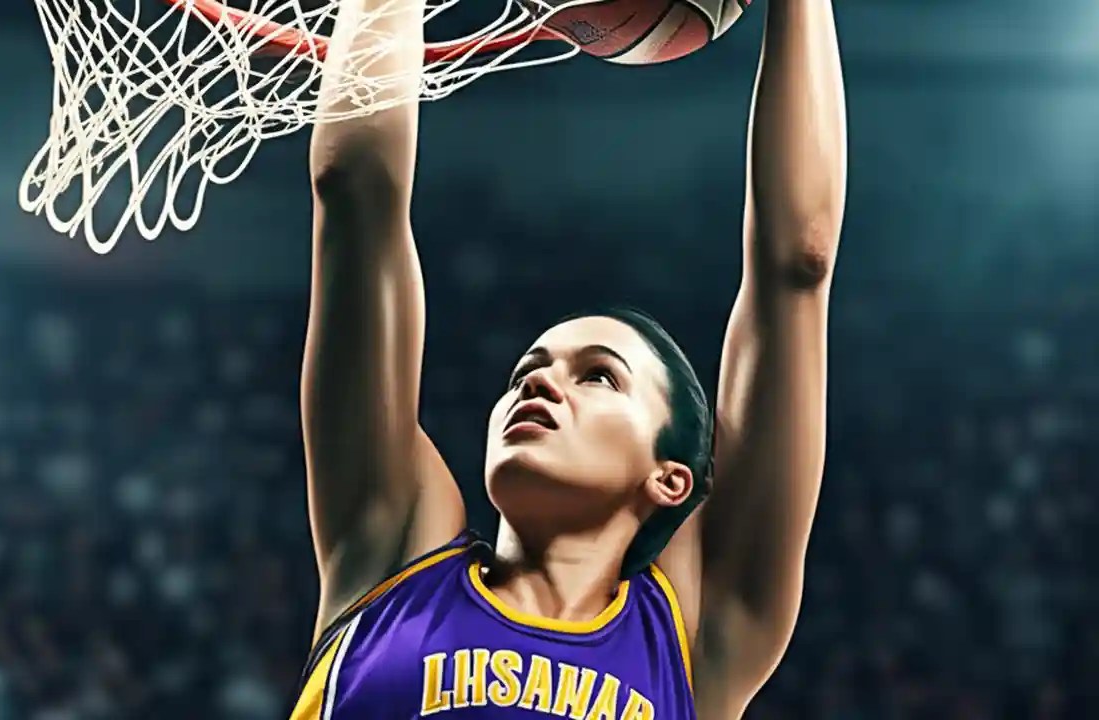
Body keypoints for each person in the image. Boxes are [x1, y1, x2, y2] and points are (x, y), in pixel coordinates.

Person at [291, 0, 847, 716]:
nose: (541, 385)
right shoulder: (394, 549)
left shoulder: (697, 633)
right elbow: (356, 192)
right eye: (527, 371)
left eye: (599, 376)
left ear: (670, 478)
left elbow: (799, 264)